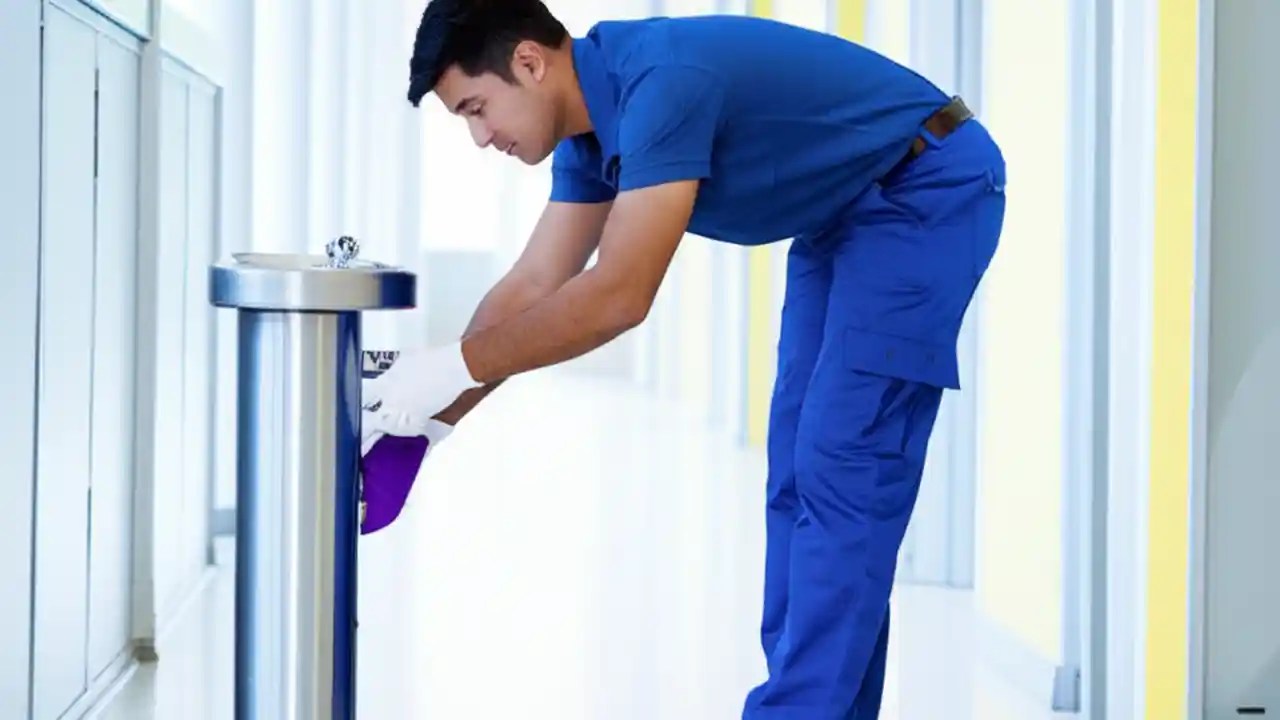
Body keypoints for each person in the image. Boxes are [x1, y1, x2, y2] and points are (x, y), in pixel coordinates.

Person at [360, 0, 1007, 717]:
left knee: (843, 464)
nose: (482, 137)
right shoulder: (589, 135)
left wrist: (450, 367)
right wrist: (425, 426)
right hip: (841, 214)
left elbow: (619, 295)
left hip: (922, 185)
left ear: (529, 62)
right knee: (798, 470)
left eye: (477, 109)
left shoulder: (663, 82)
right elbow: (534, 285)